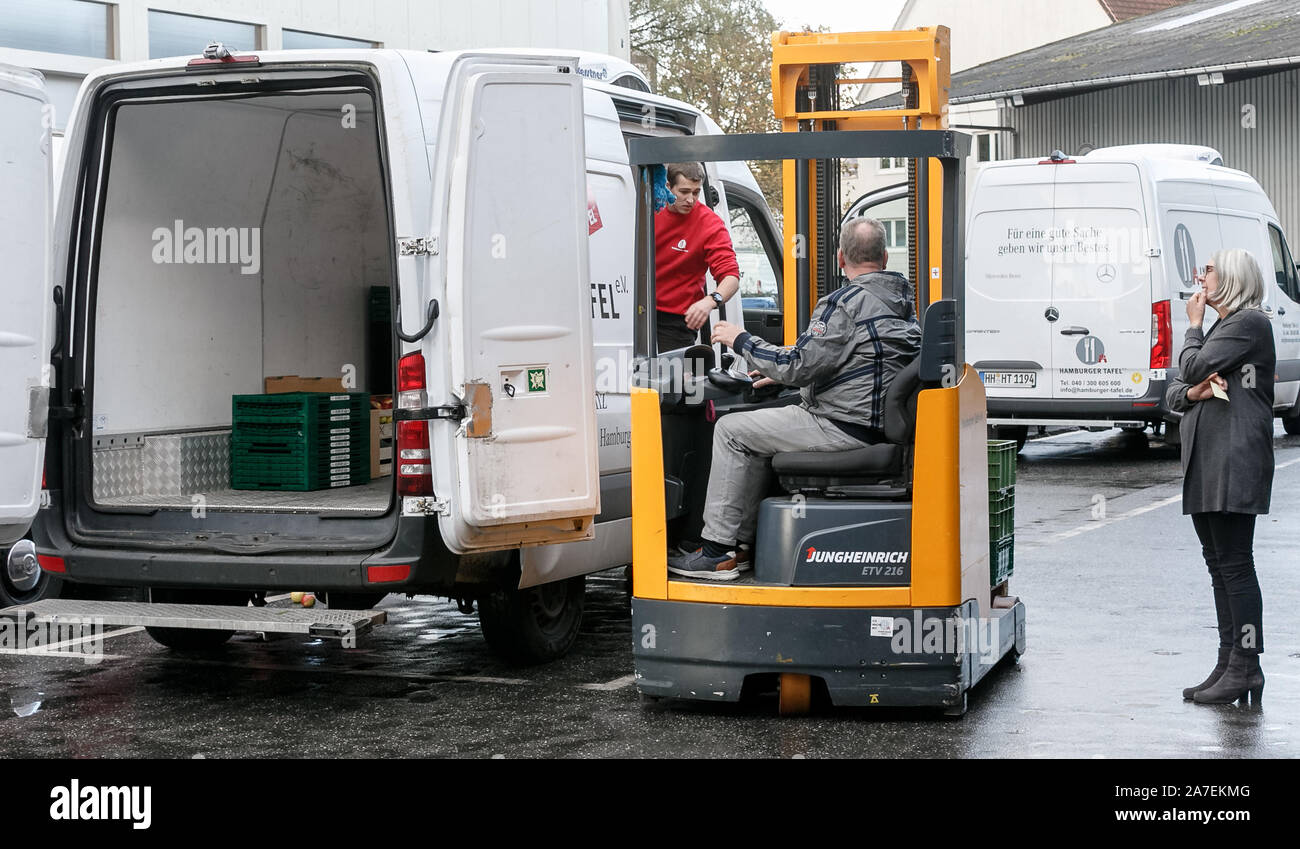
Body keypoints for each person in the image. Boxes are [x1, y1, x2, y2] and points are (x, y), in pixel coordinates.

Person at [667, 217, 921, 580]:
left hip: (843, 425)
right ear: (884, 258)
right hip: (872, 420)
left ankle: (715, 551)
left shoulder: (844, 303)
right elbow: (860, 362)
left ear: (839, 258)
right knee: (756, 431)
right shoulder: (902, 302)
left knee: (730, 429)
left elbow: (798, 365)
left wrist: (740, 340)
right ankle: (741, 546)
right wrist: (778, 375)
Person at [1165, 248, 1274, 704]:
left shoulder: (1248, 324)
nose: (1201, 276)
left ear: (1231, 279)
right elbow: (1177, 389)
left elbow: (1189, 364)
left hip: (1234, 461)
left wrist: (1191, 328)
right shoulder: (1224, 329)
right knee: (1219, 566)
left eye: (1209, 269)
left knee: (1235, 565)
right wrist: (1194, 391)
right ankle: (1229, 660)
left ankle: (1246, 665)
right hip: (1209, 461)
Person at [654, 162, 740, 352]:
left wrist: (710, 301)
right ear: (669, 187)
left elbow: (731, 277)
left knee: (679, 379)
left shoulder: (709, 223)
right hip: (636, 311)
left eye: (696, 192)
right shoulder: (651, 210)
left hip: (676, 322)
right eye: (684, 191)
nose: (690, 200)